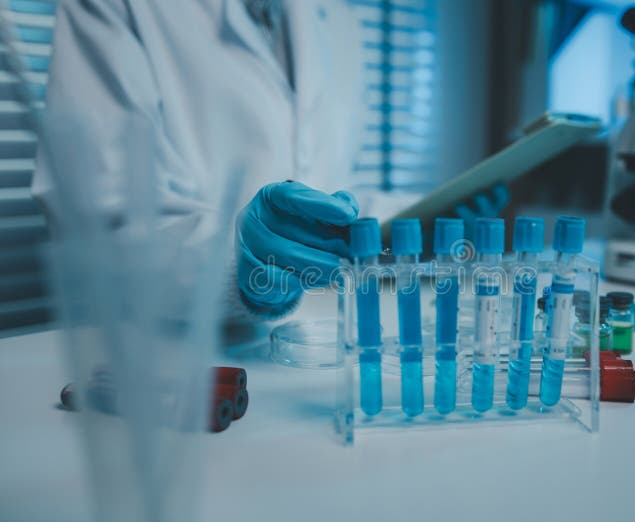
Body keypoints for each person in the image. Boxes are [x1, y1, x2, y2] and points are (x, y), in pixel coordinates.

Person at [34, 0, 507, 319]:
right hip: (164, 366)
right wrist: (238, 260)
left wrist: (409, 221)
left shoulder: (334, 16)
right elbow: (97, 217)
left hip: (310, 347)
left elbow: (322, 189)